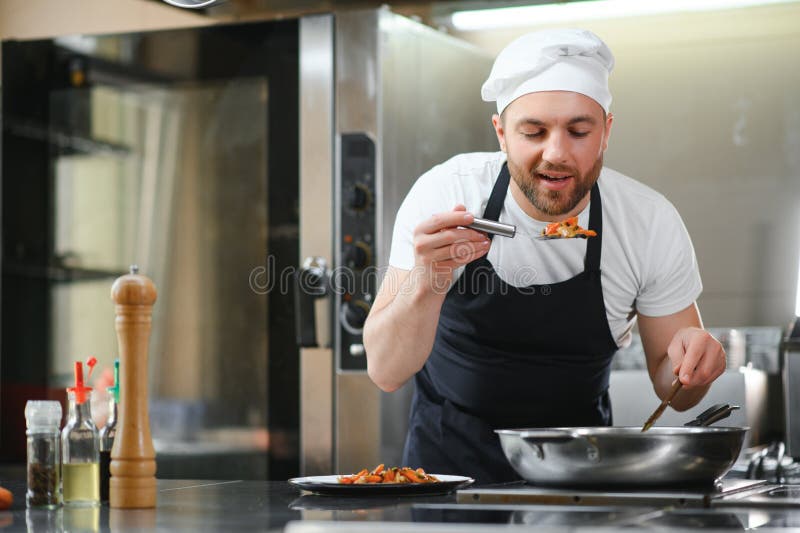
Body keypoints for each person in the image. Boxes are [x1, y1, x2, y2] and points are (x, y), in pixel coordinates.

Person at [362, 28, 726, 484]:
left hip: (581, 483)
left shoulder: (648, 223)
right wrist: (426, 278)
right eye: (533, 131)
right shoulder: (447, 193)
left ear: (606, 132)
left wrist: (696, 368)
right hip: (447, 482)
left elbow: (675, 389)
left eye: (578, 131)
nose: (555, 153)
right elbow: (385, 371)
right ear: (501, 133)